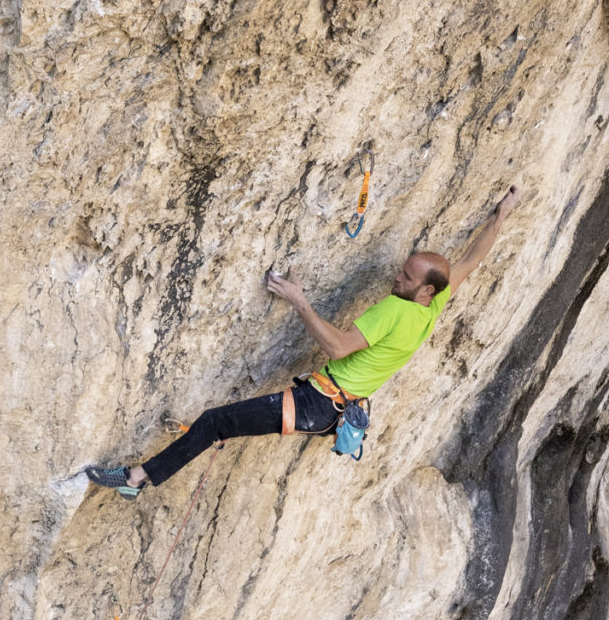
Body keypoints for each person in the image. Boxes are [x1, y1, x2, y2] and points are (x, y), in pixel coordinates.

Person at [85, 188, 518, 496]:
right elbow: (469, 261)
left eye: (406, 277)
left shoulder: (395, 310)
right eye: (401, 269)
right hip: (332, 407)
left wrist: (299, 301)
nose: (396, 277)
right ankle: (138, 477)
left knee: (215, 422)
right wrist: (501, 216)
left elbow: (339, 348)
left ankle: (137, 478)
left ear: (425, 290)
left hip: (319, 404)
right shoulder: (431, 305)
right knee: (218, 424)